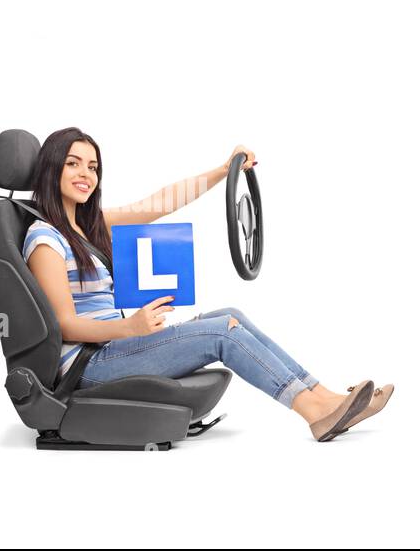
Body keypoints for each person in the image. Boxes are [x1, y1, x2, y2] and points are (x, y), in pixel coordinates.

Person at [22, 127, 394, 441]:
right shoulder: (45, 239)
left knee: (231, 314)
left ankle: (326, 397)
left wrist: (223, 170)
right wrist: (129, 327)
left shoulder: (87, 227)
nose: (85, 174)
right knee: (223, 333)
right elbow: (63, 325)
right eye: (72, 164)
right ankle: (314, 411)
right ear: (51, 169)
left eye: (92, 166)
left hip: (113, 345)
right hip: (90, 364)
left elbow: (159, 203)